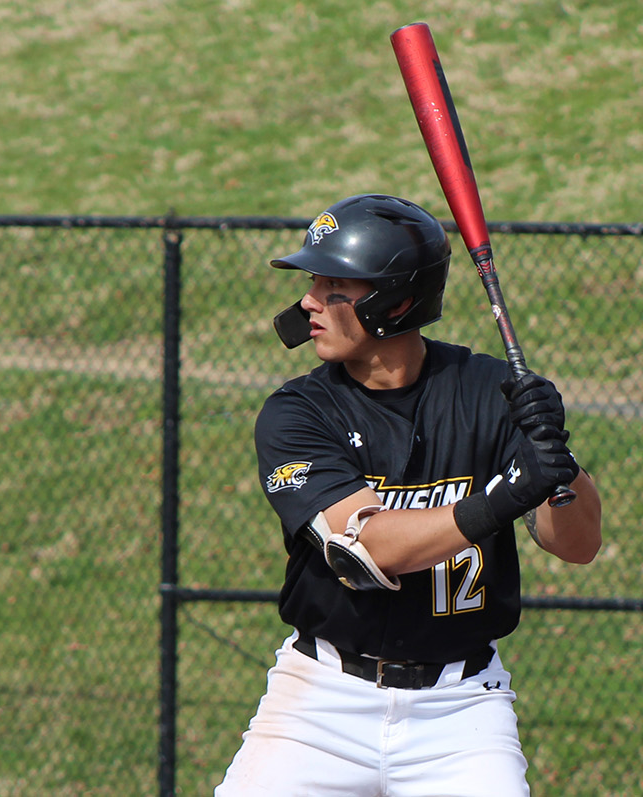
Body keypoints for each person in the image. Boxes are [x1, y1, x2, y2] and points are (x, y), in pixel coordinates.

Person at [216, 193, 602, 796]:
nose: (308, 303)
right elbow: (368, 547)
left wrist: (557, 465)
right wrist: (502, 499)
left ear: (394, 303)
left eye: (332, 288)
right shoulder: (298, 414)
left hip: (462, 710)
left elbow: (577, 546)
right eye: (312, 284)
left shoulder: (488, 392)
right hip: (320, 703)